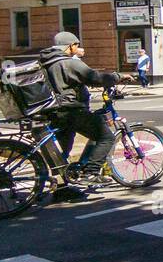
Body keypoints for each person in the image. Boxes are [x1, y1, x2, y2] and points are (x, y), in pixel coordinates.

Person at [39, 31, 130, 200]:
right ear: (70, 46)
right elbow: (95, 77)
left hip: (53, 112)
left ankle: (61, 189)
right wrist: (118, 77)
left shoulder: (46, 62)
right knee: (106, 137)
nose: (77, 47)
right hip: (71, 111)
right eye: (76, 45)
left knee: (61, 153)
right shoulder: (68, 63)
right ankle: (91, 172)